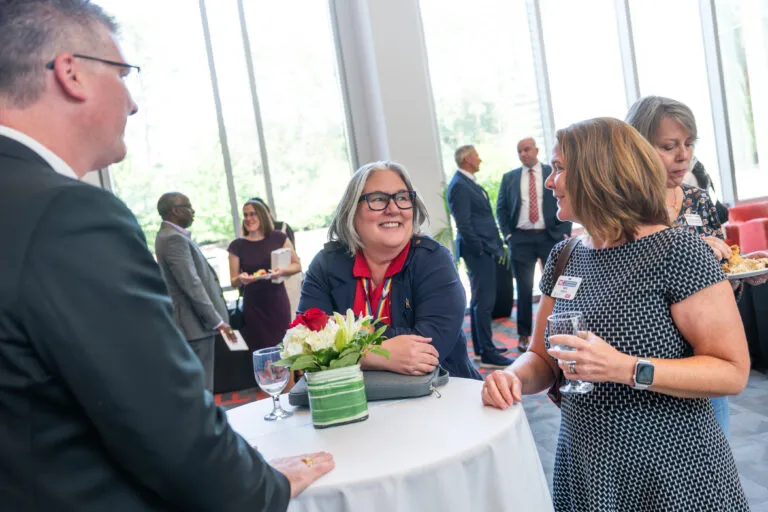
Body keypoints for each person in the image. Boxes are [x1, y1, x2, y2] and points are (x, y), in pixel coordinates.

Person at [0, 1, 332, 509]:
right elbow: (162, 422)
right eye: (124, 74)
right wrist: (263, 488)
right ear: (71, 73)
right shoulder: (68, 215)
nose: (133, 104)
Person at [482, 117, 750, 511]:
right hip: (588, 464)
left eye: (558, 169)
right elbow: (541, 358)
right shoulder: (565, 256)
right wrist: (511, 376)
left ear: (598, 174)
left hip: (675, 470)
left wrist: (625, 368)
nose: (549, 181)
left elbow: (732, 370)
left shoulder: (679, 252)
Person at [626, 95, 768, 437]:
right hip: (655, 358)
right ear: (639, 147)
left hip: (708, 355)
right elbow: (626, 276)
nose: (683, 155)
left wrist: (740, 273)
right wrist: (689, 248)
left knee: (712, 452)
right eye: (669, 146)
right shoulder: (624, 209)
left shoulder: (698, 199)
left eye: (689, 144)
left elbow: (717, 274)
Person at [299, 161, 481, 380]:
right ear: (352, 209)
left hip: (442, 396)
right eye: (378, 199)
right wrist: (375, 355)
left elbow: (428, 350)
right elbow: (304, 344)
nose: (393, 209)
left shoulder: (434, 259)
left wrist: (345, 340)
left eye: (402, 198)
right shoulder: (326, 264)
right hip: (353, 400)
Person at [497, 137, 572, 352]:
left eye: (527, 149)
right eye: (519, 151)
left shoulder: (553, 172)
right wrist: (509, 236)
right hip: (520, 240)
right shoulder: (510, 177)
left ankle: (560, 331)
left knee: (558, 287)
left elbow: (566, 196)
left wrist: (564, 231)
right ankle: (524, 335)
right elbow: (501, 209)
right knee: (523, 288)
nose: (523, 154)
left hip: (549, 237)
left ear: (537, 150)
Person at [155, 192, 234, 392]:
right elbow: (191, 283)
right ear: (175, 210)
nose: (193, 211)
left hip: (193, 324)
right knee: (203, 386)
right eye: (188, 206)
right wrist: (215, 320)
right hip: (195, 326)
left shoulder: (169, 236)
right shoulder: (173, 239)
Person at [447, 145, 514, 368]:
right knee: (483, 303)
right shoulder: (459, 186)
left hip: (483, 250)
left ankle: (483, 348)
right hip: (478, 252)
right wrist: (481, 249)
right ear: (467, 159)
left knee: (480, 302)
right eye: (476, 156)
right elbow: (464, 223)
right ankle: (487, 352)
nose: (480, 159)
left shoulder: (466, 182)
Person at [228, 199, 301, 351]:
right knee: (261, 350)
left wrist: (281, 271)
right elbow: (234, 281)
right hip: (254, 306)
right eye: (245, 215)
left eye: (252, 214)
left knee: (285, 348)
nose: (248, 218)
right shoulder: (236, 246)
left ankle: (290, 376)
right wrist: (241, 279)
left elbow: (297, 265)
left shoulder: (278, 238)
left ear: (262, 215)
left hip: (277, 301)